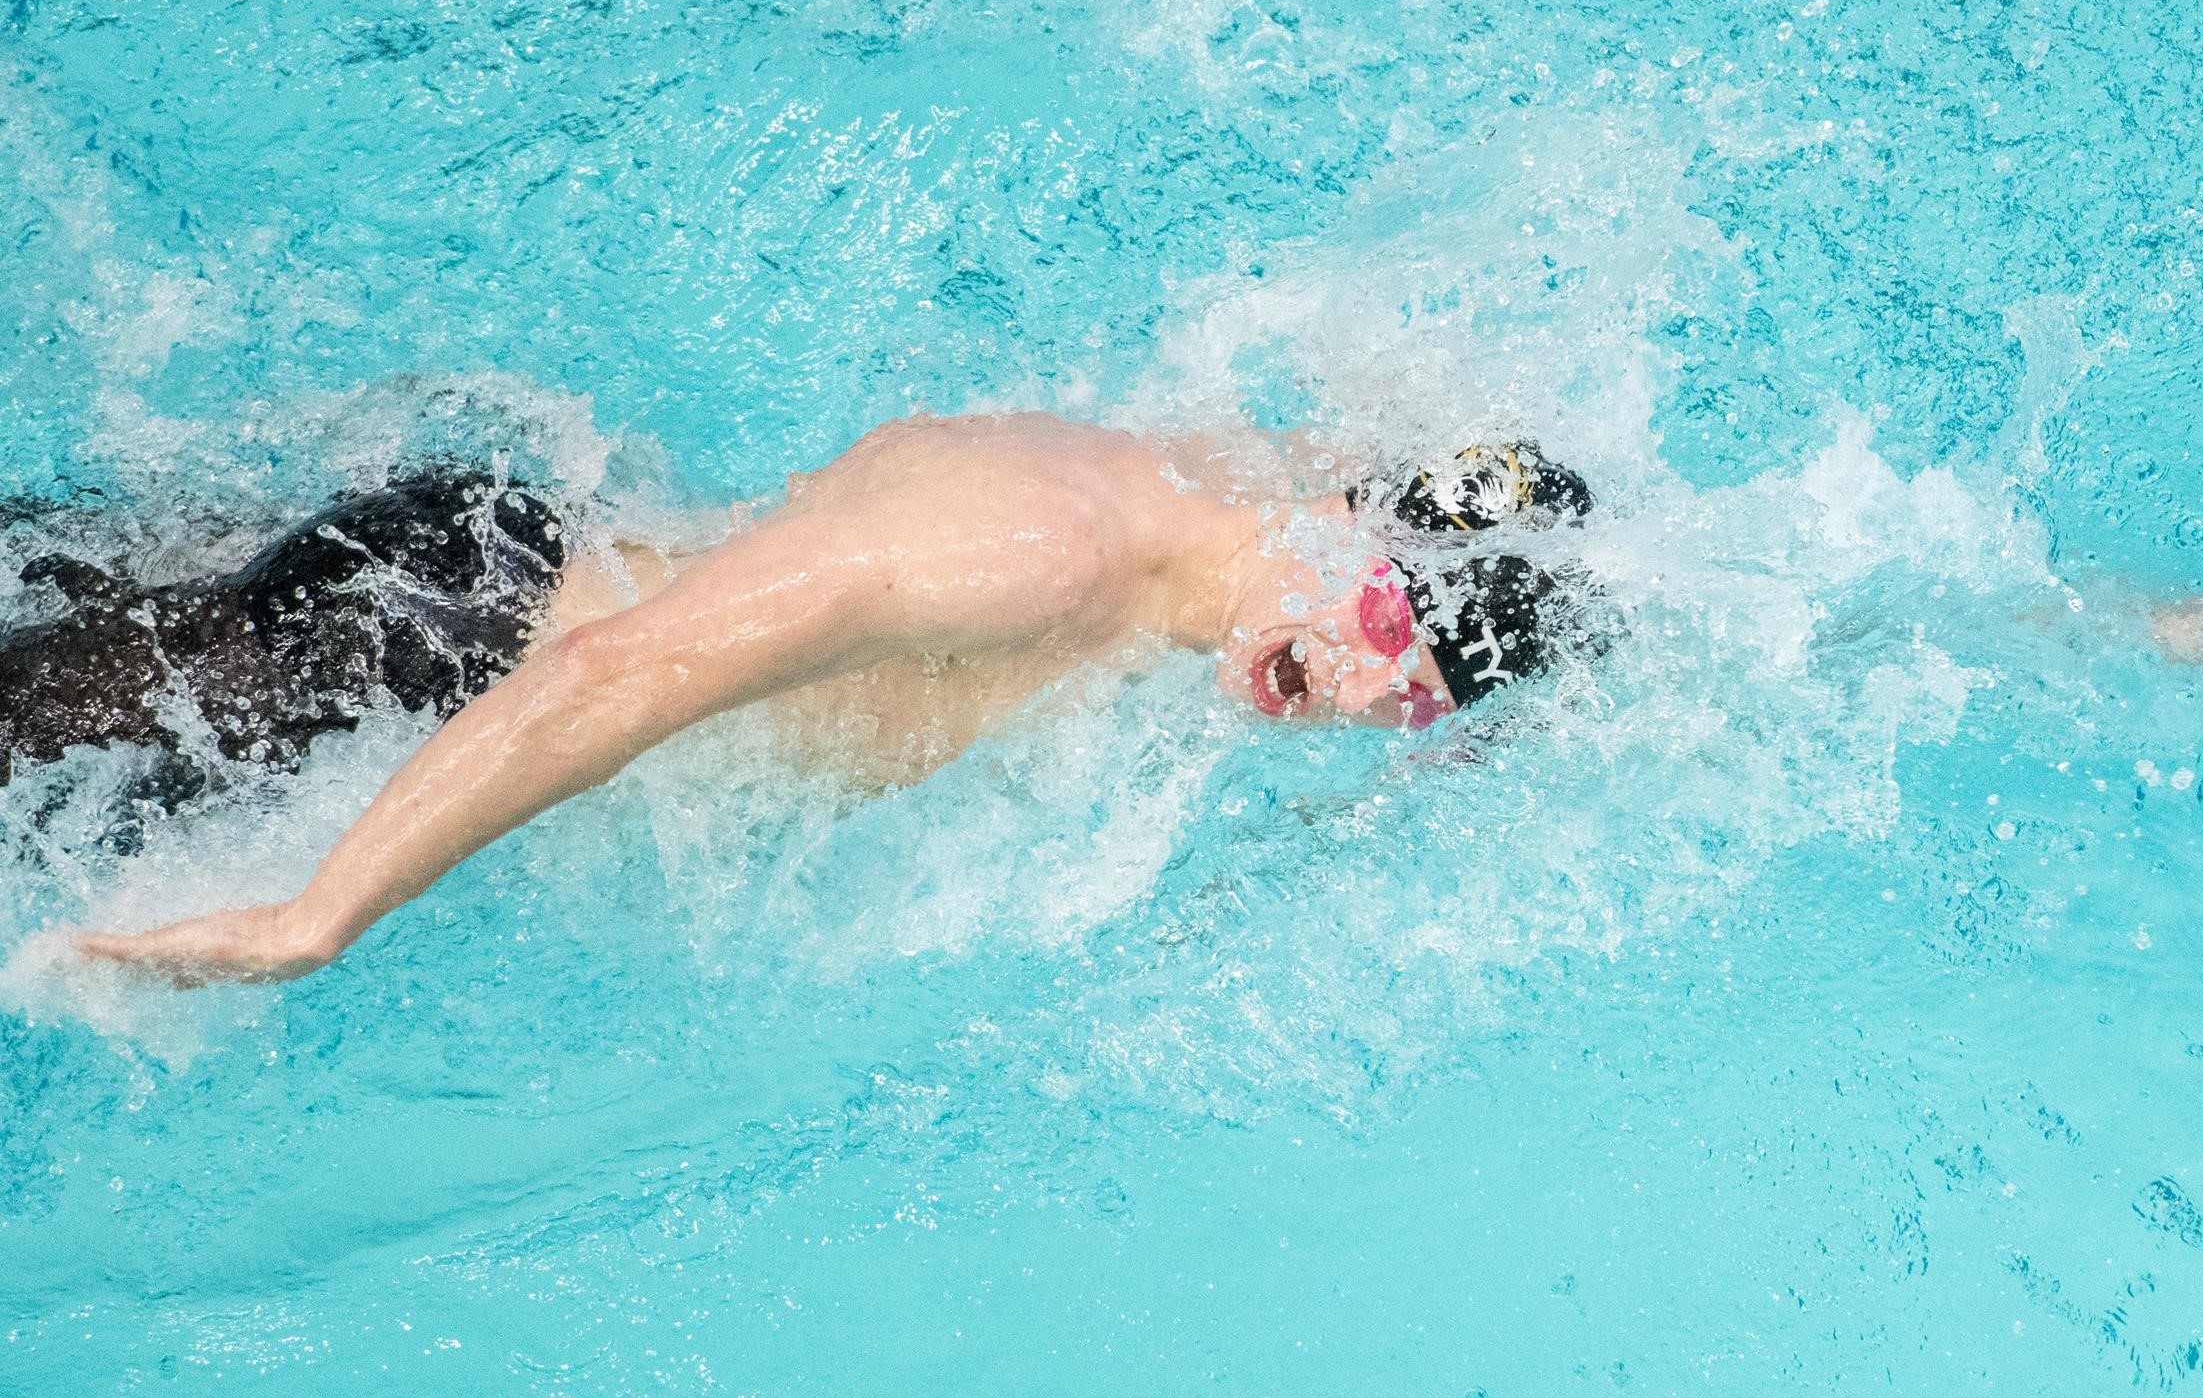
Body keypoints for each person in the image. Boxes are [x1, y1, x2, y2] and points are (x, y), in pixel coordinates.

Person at [39, 415, 1595, 986]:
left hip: (474, 561)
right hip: (425, 640)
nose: (1357, 689)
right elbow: (609, 669)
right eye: (1380, 622)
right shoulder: (1039, 554)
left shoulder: (1244, 497)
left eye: (1411, 701)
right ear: (1349, 523)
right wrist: (317, 912)